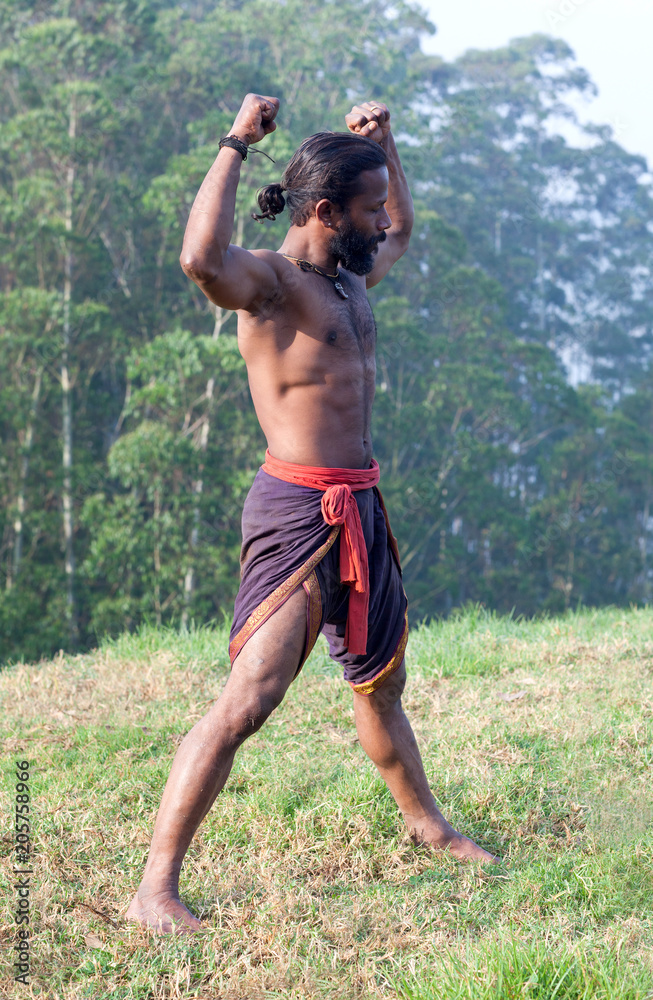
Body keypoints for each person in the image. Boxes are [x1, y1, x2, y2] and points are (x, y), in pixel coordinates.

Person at [126, 93, 496, 935]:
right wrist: (234, 143)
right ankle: (155, 889)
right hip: (297, 509)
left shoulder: (350, 275)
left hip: (361, 503)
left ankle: (428, 825)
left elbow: (401, 231)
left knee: (381, 681)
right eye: (365, 208)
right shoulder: (271, 285)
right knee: (250, 696)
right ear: (324, 211)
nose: (383, 221)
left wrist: (388, 149)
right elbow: (197, 259)